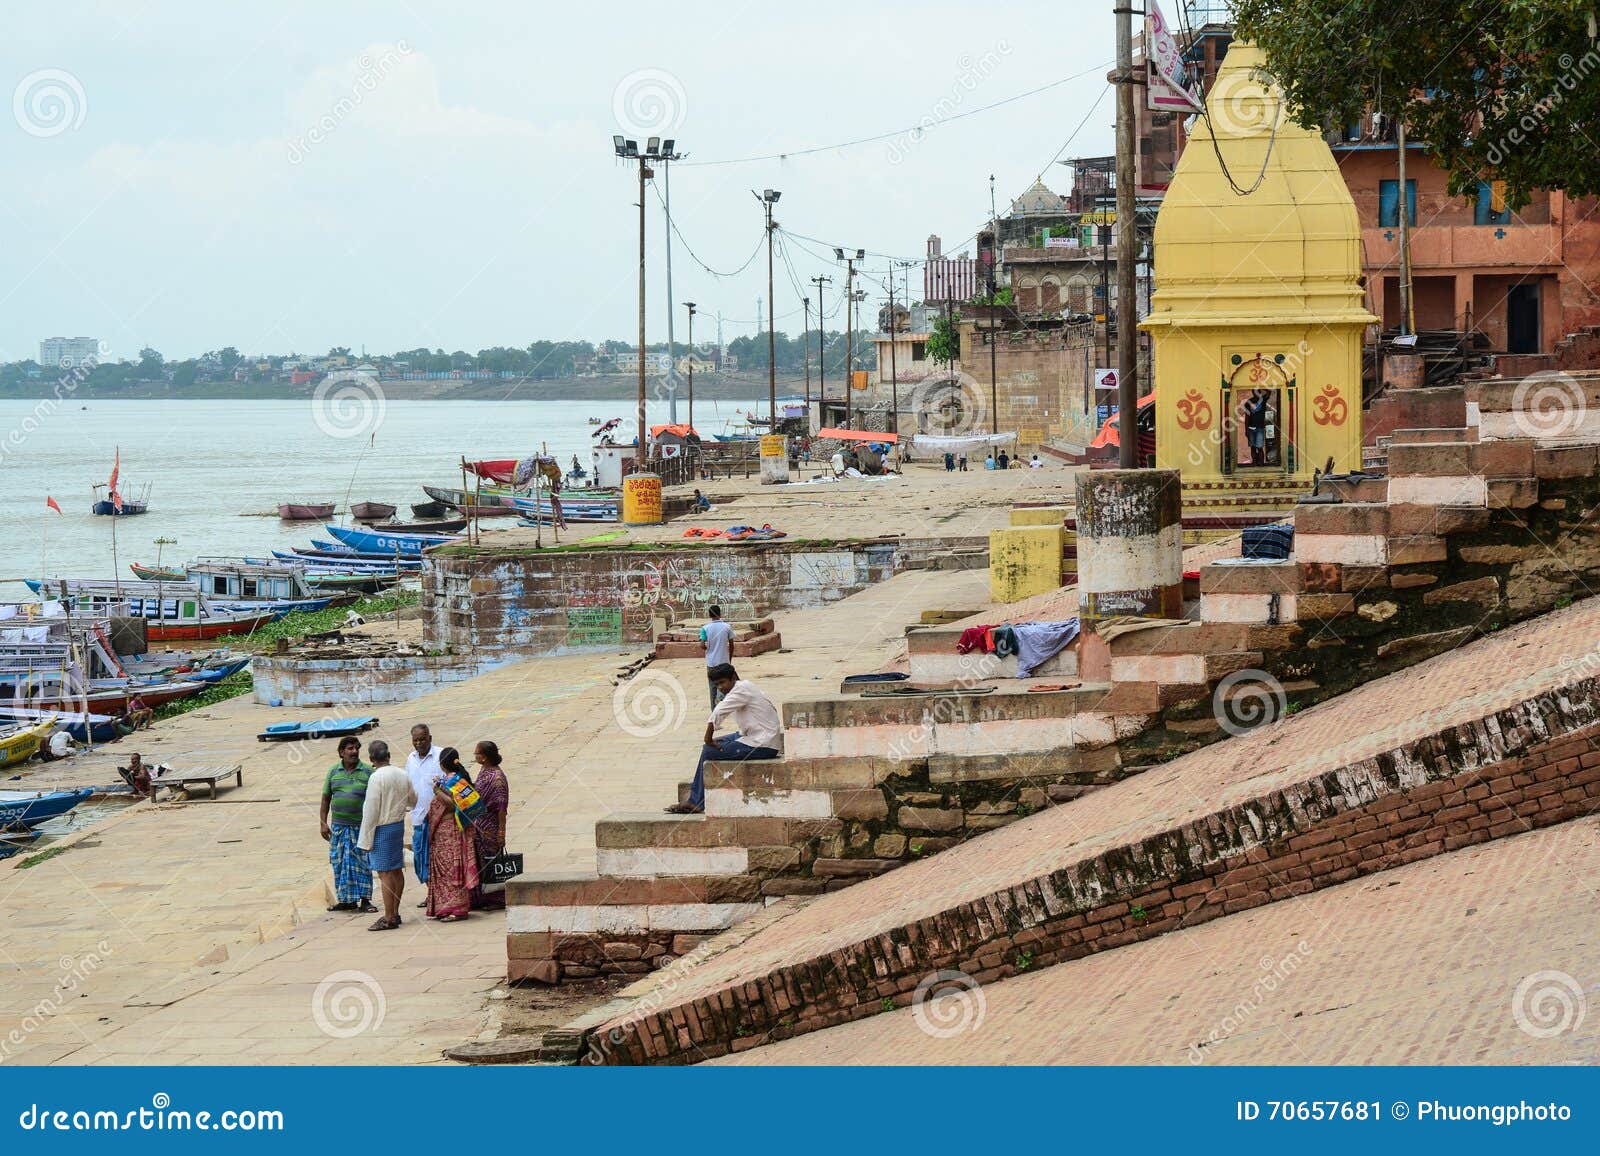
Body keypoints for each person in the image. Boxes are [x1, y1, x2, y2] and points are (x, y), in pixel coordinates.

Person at [667, 663, 783, 815]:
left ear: (733, 677)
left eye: (722, 682)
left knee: (709, 750)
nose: (720, 687)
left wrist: (708, 739)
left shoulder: (740, 691)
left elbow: (718, 712)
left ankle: (696, 802)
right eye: (717, 684)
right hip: (754, 736)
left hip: (763, 744)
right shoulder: (745, 685)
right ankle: (696, 797)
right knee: (718, 743)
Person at [357, 739, 415, 932]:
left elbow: (371, 810)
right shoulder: (402, 773)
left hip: (382, 828)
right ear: (388, 756)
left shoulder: (376, 778)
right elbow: (413, 800)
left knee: (385, 873)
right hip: (397, 825)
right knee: (396, 869)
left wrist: (365, 839)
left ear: (371, 759)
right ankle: (395, 912)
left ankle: (389, 916)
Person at [320, 736, 376, 914]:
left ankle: (365, 900)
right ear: (341, 752)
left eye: (356, 748)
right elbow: (326, 798)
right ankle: (346, 900)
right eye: (350, 748)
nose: (354, 751)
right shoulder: (333, 771)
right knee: (340, 863)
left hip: (361, 827)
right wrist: (323, 823)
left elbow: (375, 799)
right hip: (339, 828)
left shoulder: (368, 771)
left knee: (362, 863)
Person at [425, 748, 480, 922]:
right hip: (448, 832)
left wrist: (437, 792)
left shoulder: (453, 782)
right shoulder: (459, 780)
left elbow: (452, 804)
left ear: (442, 764)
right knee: (450, 870)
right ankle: (445, 908)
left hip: (449, 833)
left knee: (451, 871)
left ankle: (456, 909)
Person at [469, 741, 510, 911]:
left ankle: (497, 899)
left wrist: (501, 832)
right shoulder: (483, 771)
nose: (475, 756)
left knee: (492, 862)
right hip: (479, 824)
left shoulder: (497, 778)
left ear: (484, 757)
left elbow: (501, 808)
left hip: (490, 827)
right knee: (481, 862)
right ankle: (482, 897)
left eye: (477, 754)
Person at [405, 724, 443, 903]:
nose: (419, 743)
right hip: (418, 819)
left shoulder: (440, 755)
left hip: (439, 819)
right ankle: (431, 893)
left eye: (422, 739)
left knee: (439, 859)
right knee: (421, 858)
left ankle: (440, 895)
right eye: (415, 740)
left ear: (430, 738)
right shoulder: (410, 759)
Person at [700, 605, 736, 706]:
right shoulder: (727, 627)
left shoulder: (705, 628)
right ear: (720, 613)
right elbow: (732, 645)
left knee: (713, 688)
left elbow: (702, 645)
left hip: (711, 663)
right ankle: (723, 706)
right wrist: (729, 659)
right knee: (724, 686)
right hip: (724, 661)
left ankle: (714, 709)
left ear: (709, 615)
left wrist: (708, 648)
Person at [1244, 389, 1269, 466]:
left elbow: (1269, 392)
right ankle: (1254, 462)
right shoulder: (1249, 402)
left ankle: (1261, 463)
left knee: (1259, 447)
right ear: (1252, 392)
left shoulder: (1263, 399)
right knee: (1253, 447)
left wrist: (1262, 386)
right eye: (1255, 391)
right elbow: (1247, 416)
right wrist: (1246, 429)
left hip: (1260, 428)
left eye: (1258, 391)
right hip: (1251, 428)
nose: (1257, 392)